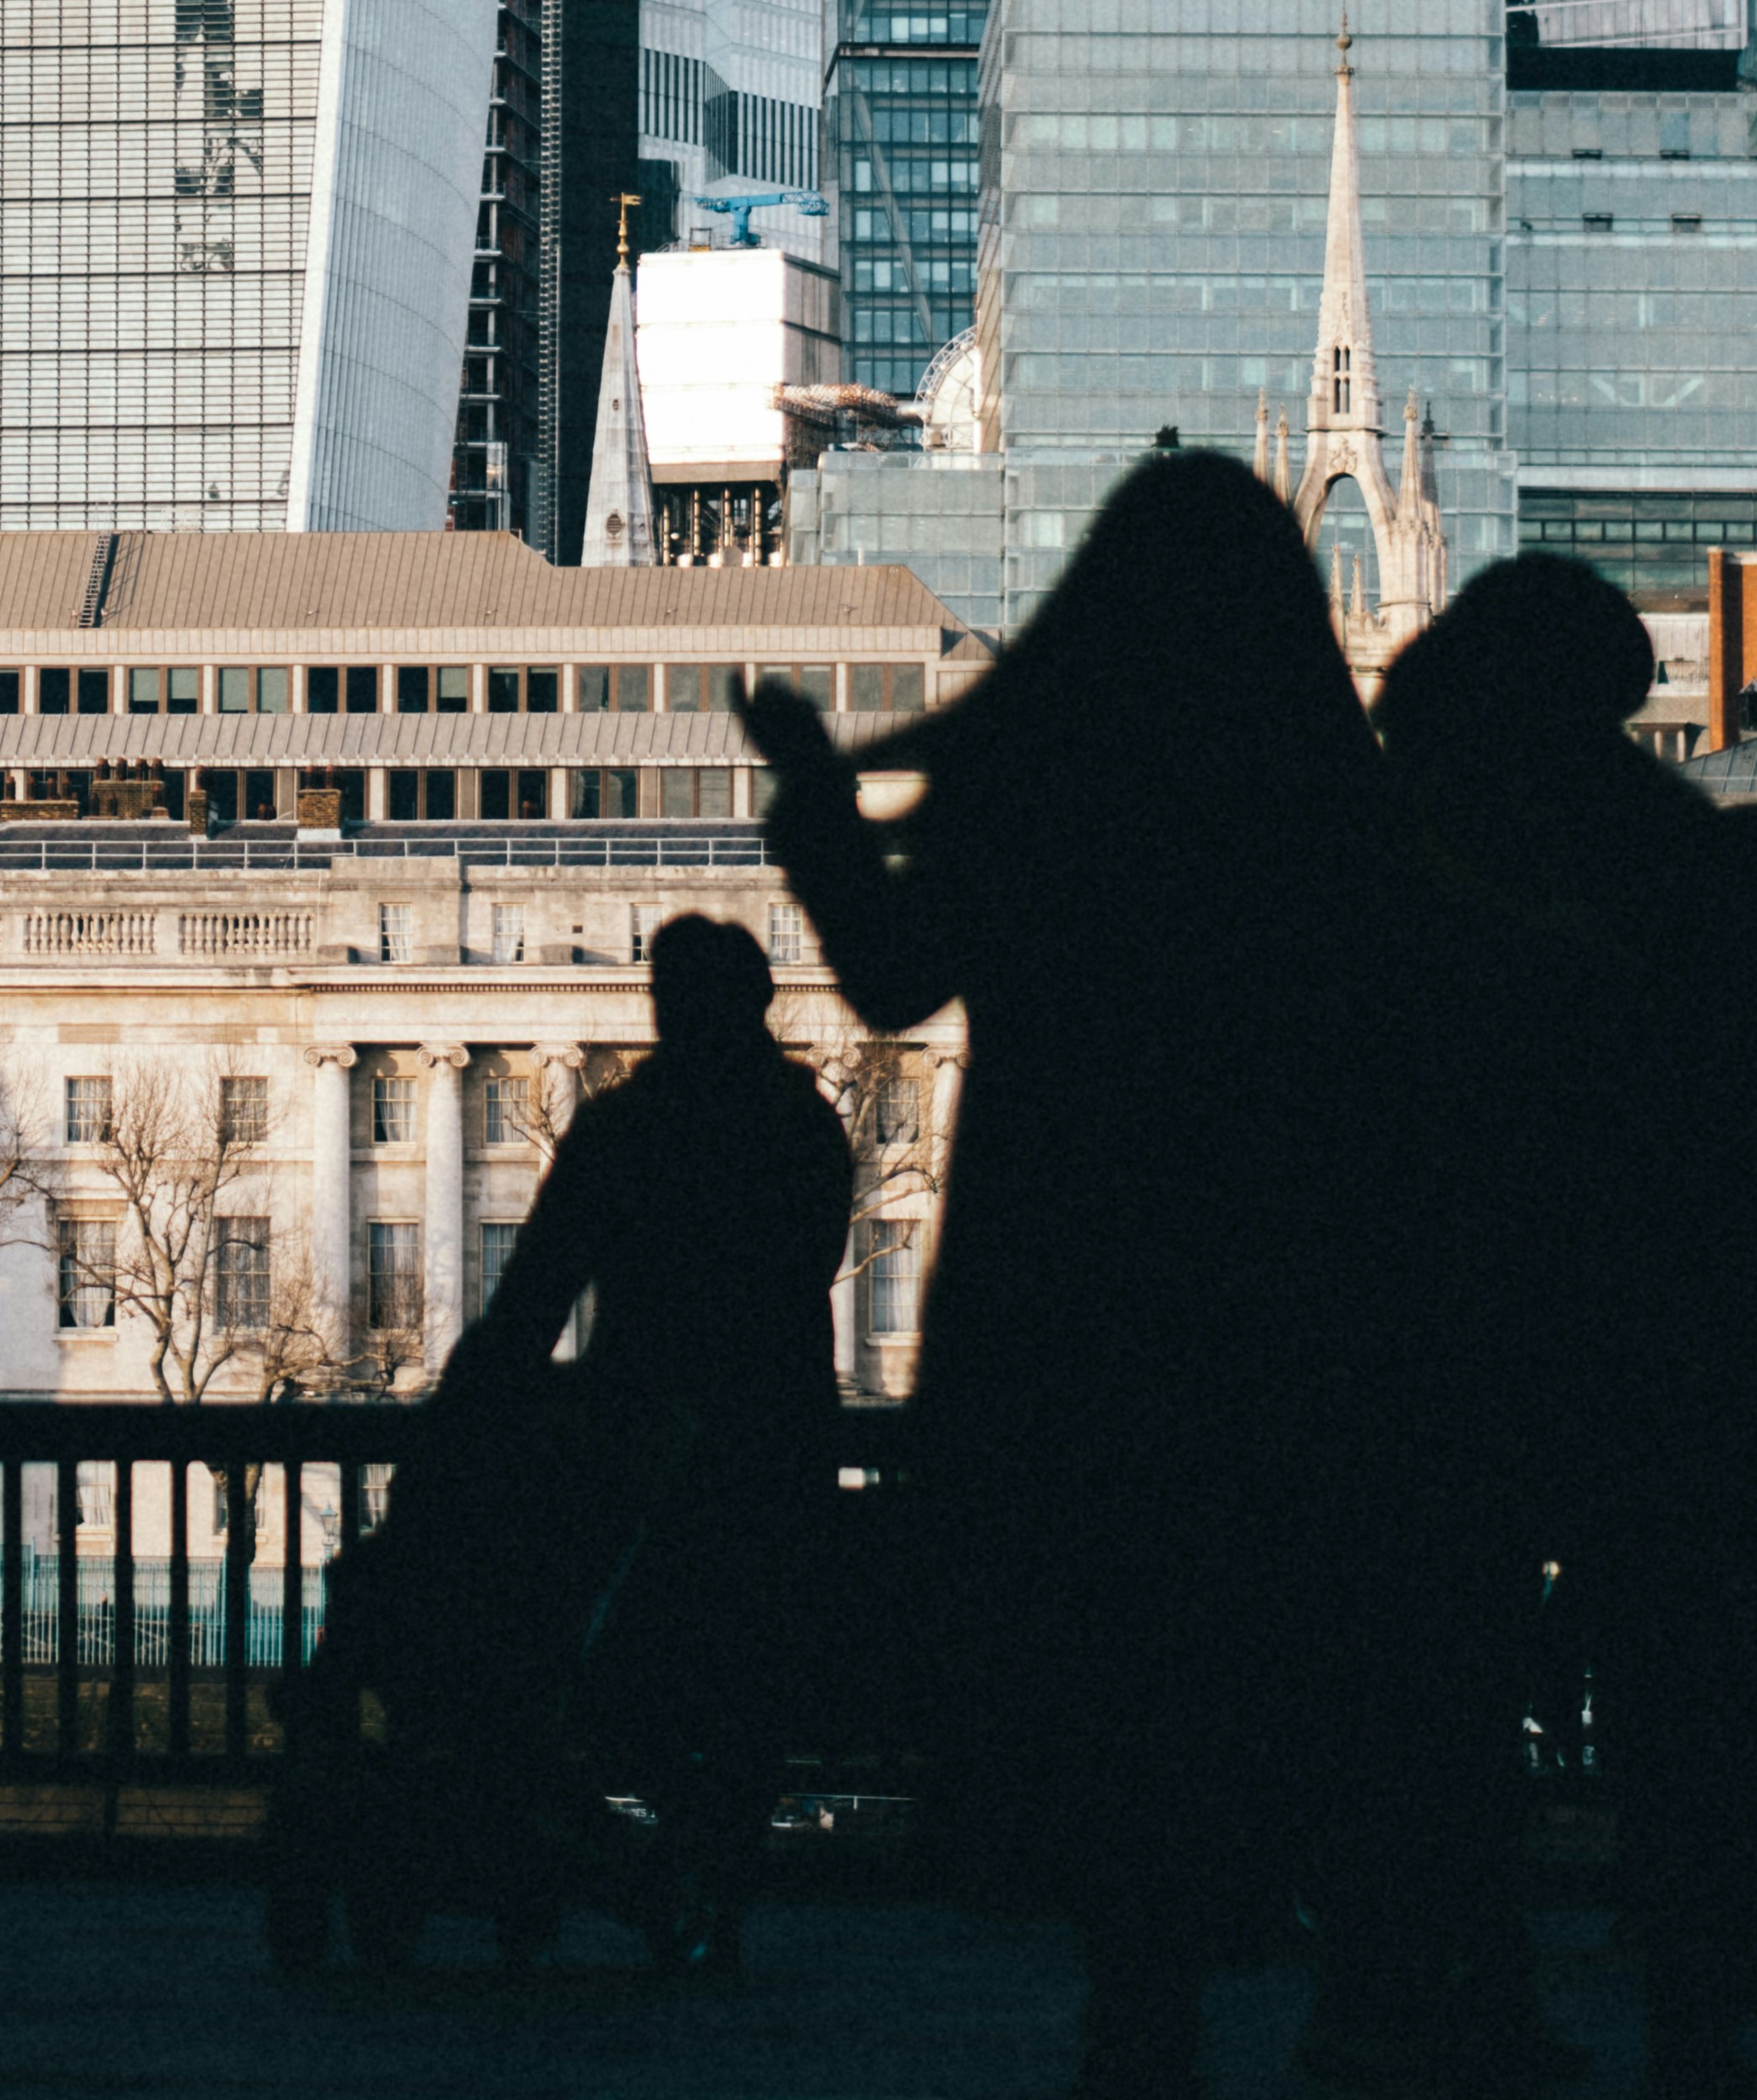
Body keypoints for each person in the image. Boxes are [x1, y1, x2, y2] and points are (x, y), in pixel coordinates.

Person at [738, 448, 1461, 2100]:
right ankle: (1311, 1992)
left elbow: (893, 980)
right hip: (1285, 1310)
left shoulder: (1053, 791)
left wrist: (814, 808)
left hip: (1059, 1291)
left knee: (1097, 1674)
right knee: (1273, 1665)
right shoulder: (1333, 818)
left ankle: (1133, 2024)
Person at [1378, 561, 1757, 2097]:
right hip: (1644, 1325)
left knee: (1433, 1682)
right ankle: (1689, 1997)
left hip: (1437, 1324)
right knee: (1672, 1679)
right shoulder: (1654, 841)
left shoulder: (1389, 840)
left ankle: (1425, 1992)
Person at [433, 914, 854, 1929]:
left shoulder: (624, 1129)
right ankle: (712, 1882)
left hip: (634, 1440)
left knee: (594, 1670)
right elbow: (804, 1274)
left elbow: (535, 1295)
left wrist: (473, 1405)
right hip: (773, 1439)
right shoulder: (805, 1128)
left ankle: (647, 1862)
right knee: (744, 1684)